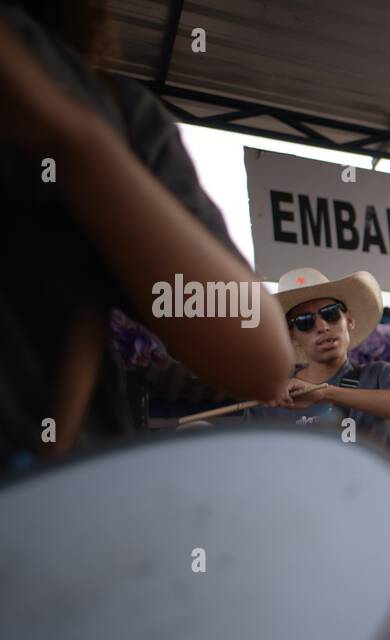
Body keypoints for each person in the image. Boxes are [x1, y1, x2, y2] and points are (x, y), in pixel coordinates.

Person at [0, 2, 292, 469]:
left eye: (332, 314)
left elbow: (258, 356)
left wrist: (78, 145)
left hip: (42, 516)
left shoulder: (98, 109)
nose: (321, 327)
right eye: (311, 316)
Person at [252, 268, 390, 455]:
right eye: (305, 321)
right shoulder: (270, 397)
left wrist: (325, 393)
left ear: (348, 320)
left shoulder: (378, 375)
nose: (322, 327)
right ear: (292, 335)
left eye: (330, 314)